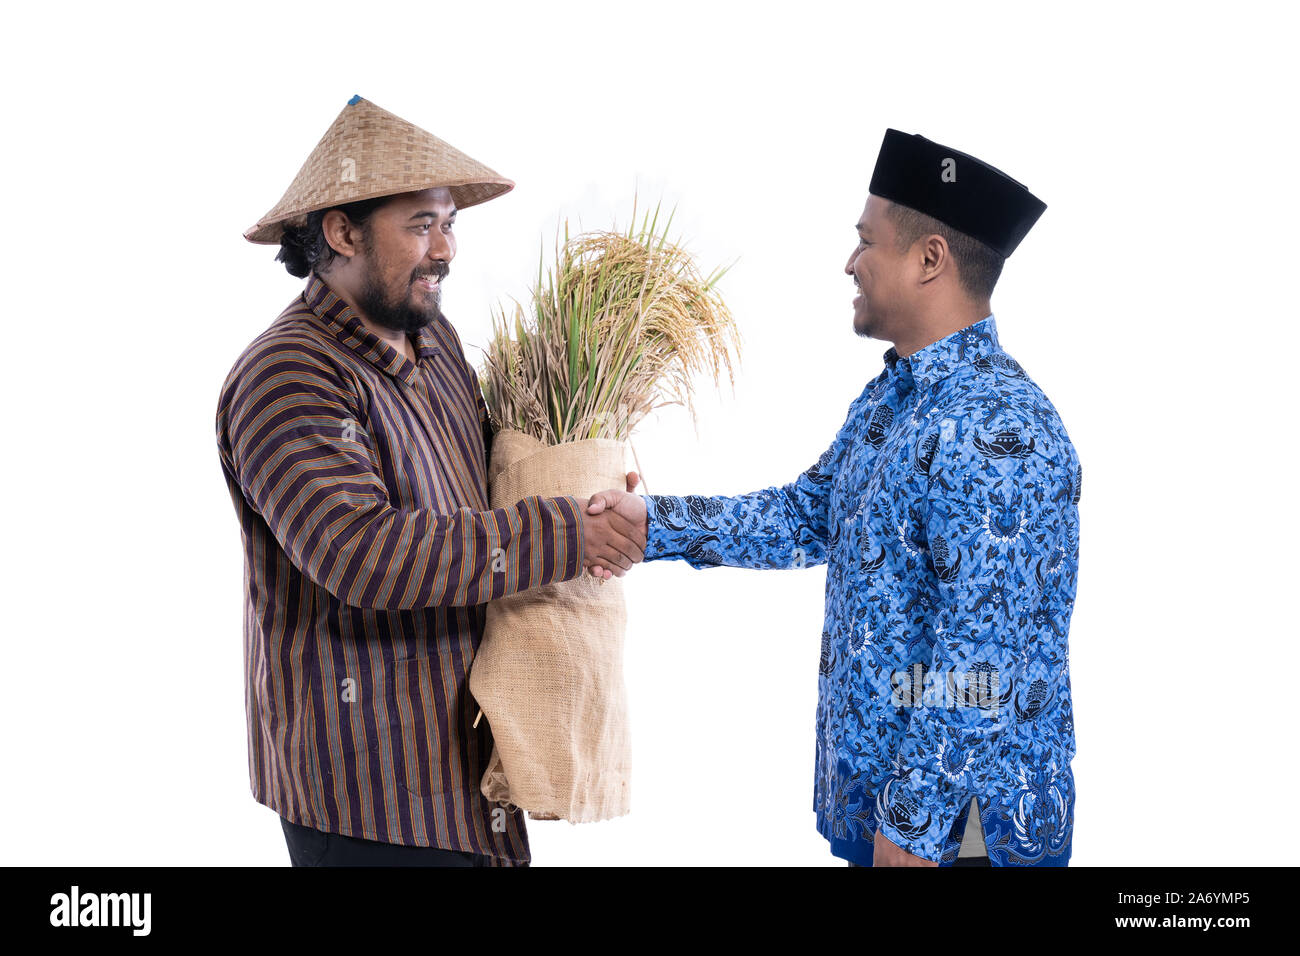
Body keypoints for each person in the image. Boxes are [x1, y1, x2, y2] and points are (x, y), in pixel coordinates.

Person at [586, 129, 1080, 867]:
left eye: (866, 242)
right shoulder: (891, 402)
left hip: (964, 833)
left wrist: (913, 825)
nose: (849, 263)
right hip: (882, 812)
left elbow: (982, 656)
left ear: (929, 259)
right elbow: (804, 515)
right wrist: (652, 524)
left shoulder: (997, 425)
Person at [216, 95, 643, 867]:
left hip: (467, 769)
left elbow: (479, 487)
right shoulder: (287, 375)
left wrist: (584, 481)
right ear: (342, 231)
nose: (445, 249)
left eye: (450, 223)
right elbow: (362, 553)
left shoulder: (434, 340)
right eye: (420, 225)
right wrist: (565, 532)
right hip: (367, 793)